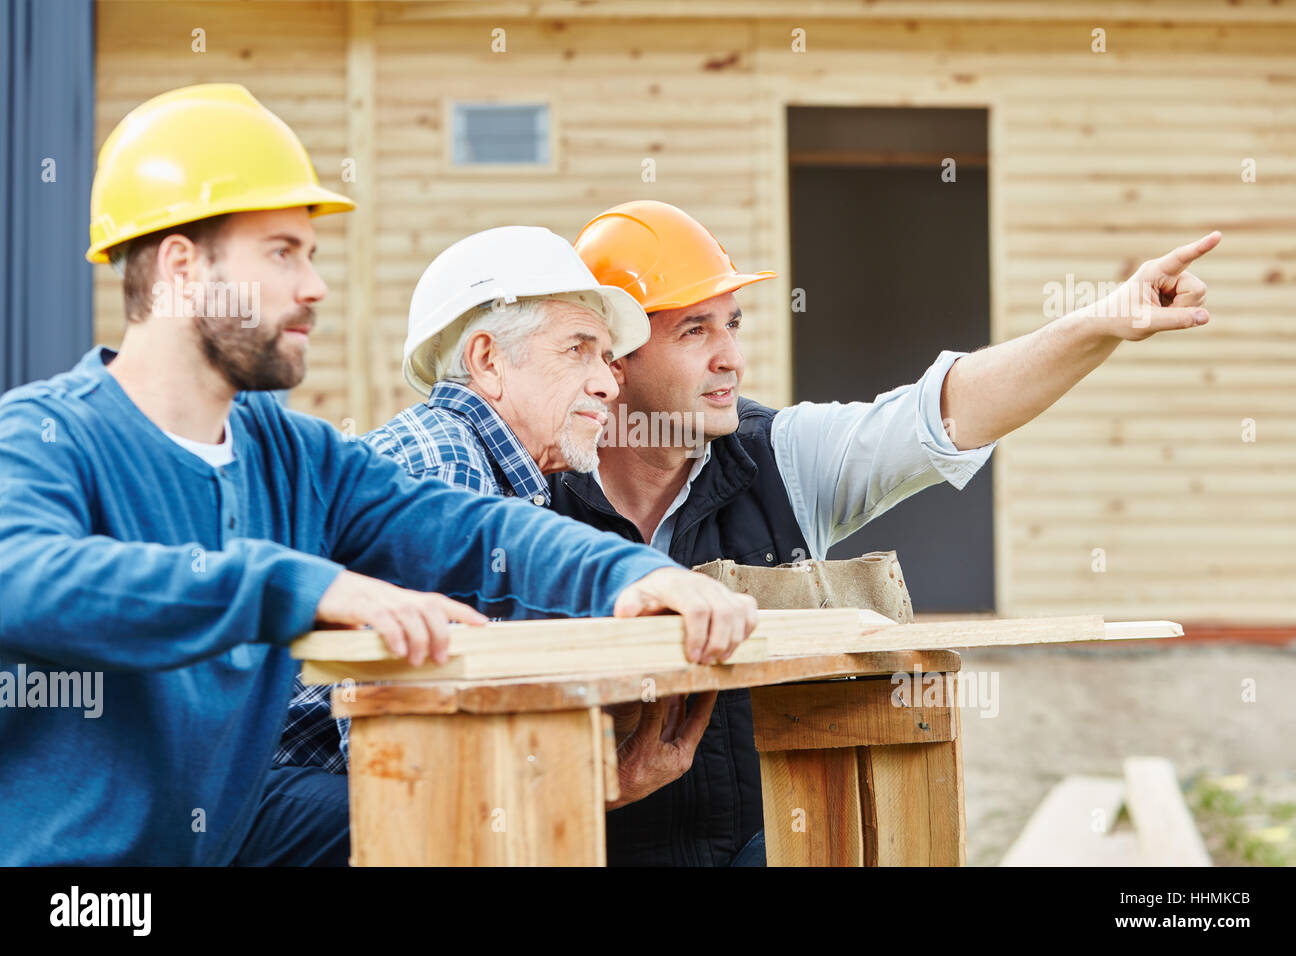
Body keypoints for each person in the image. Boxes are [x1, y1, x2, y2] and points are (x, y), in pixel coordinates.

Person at [0, 89, 755, 866]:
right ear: (185, 268)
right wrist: (297, 587)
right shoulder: (48, 435)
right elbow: (21, 576)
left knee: (460, 829)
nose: (314, 288)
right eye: (281, 253)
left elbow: (474, 532)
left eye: (311, 255)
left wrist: (630, 575)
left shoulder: (296, 459)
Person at [553, 199, 1218, 865]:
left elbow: (944, 413)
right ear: (611, 361)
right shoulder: (530, 498)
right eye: (694, 332)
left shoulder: (780, 459)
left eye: (733, 324)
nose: (730, 358)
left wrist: (1100, 324)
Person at [278, 226, 751, 808]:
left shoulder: (503, 476)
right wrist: (601, 788)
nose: (607, 383)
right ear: (488, 361)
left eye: (607, 357)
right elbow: (409, 771)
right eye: (578, 349)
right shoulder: (442, 459)